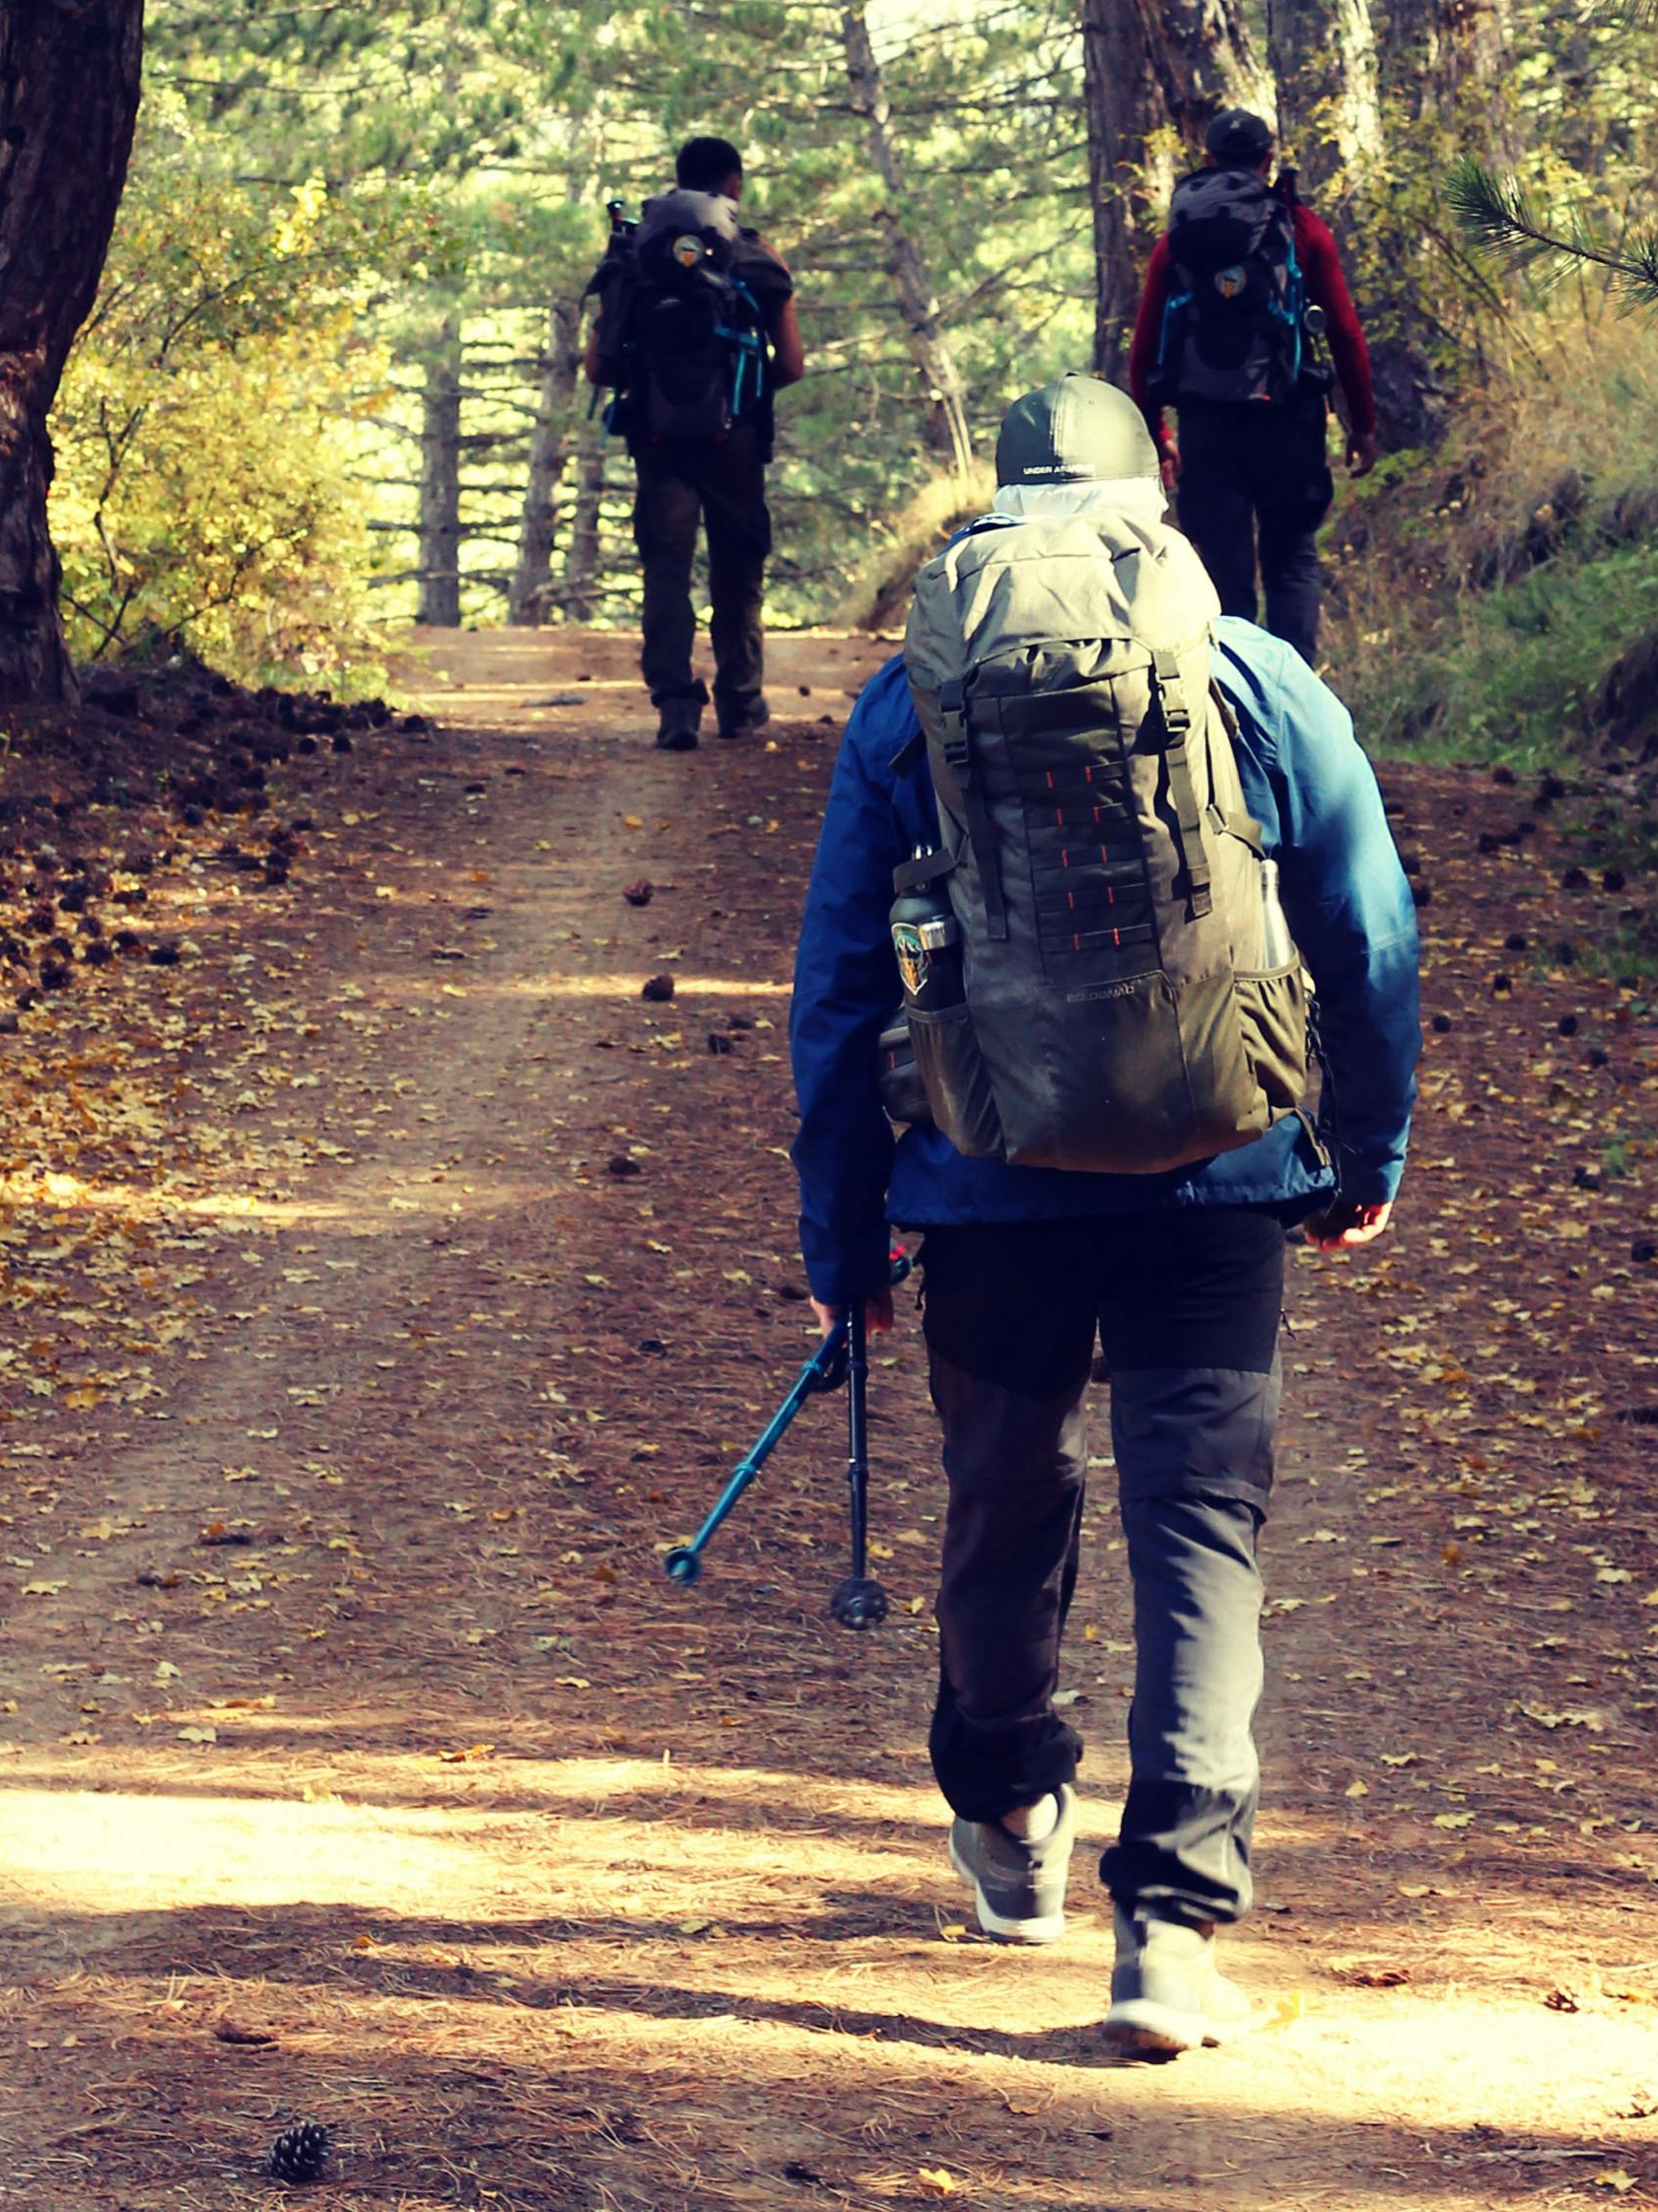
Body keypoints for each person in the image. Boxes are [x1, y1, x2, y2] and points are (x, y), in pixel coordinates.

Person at [788, 376, 1417, 2055]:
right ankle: (1170, 1930)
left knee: (1007, 1494)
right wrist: (1365, 1153)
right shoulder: (1257, 677)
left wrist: (842, 1244)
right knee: (1198, 1529)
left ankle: (1005, 1815)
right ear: (1154, 499)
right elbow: (1368, 940)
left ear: (993, 510)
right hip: (1216, 1175)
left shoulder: (910, 706)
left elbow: (842, 989)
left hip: (984, 1186)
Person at [1126, 105, 1375, 664]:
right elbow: (1345, 333)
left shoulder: (1178, 242)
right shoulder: (1302, 228)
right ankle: (1297, 707)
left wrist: (1156, 433)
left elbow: (1144, 350)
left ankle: (1239, 713)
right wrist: (1363, 424)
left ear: (1208, 160)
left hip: (1207, 426)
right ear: (1269, 159)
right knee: (1291, 560)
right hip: (1290, 418)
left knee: (1225, 574)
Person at [585, 134, 806, 752]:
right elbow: (791, 366)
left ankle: (676, 706)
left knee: (666, 571)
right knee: (737, 571)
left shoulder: (637, 257)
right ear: (734, 185)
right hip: (734, 443)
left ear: (677, 179)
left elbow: (599, 369)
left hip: (658, 442)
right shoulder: (756, 257)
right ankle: (739, 701)